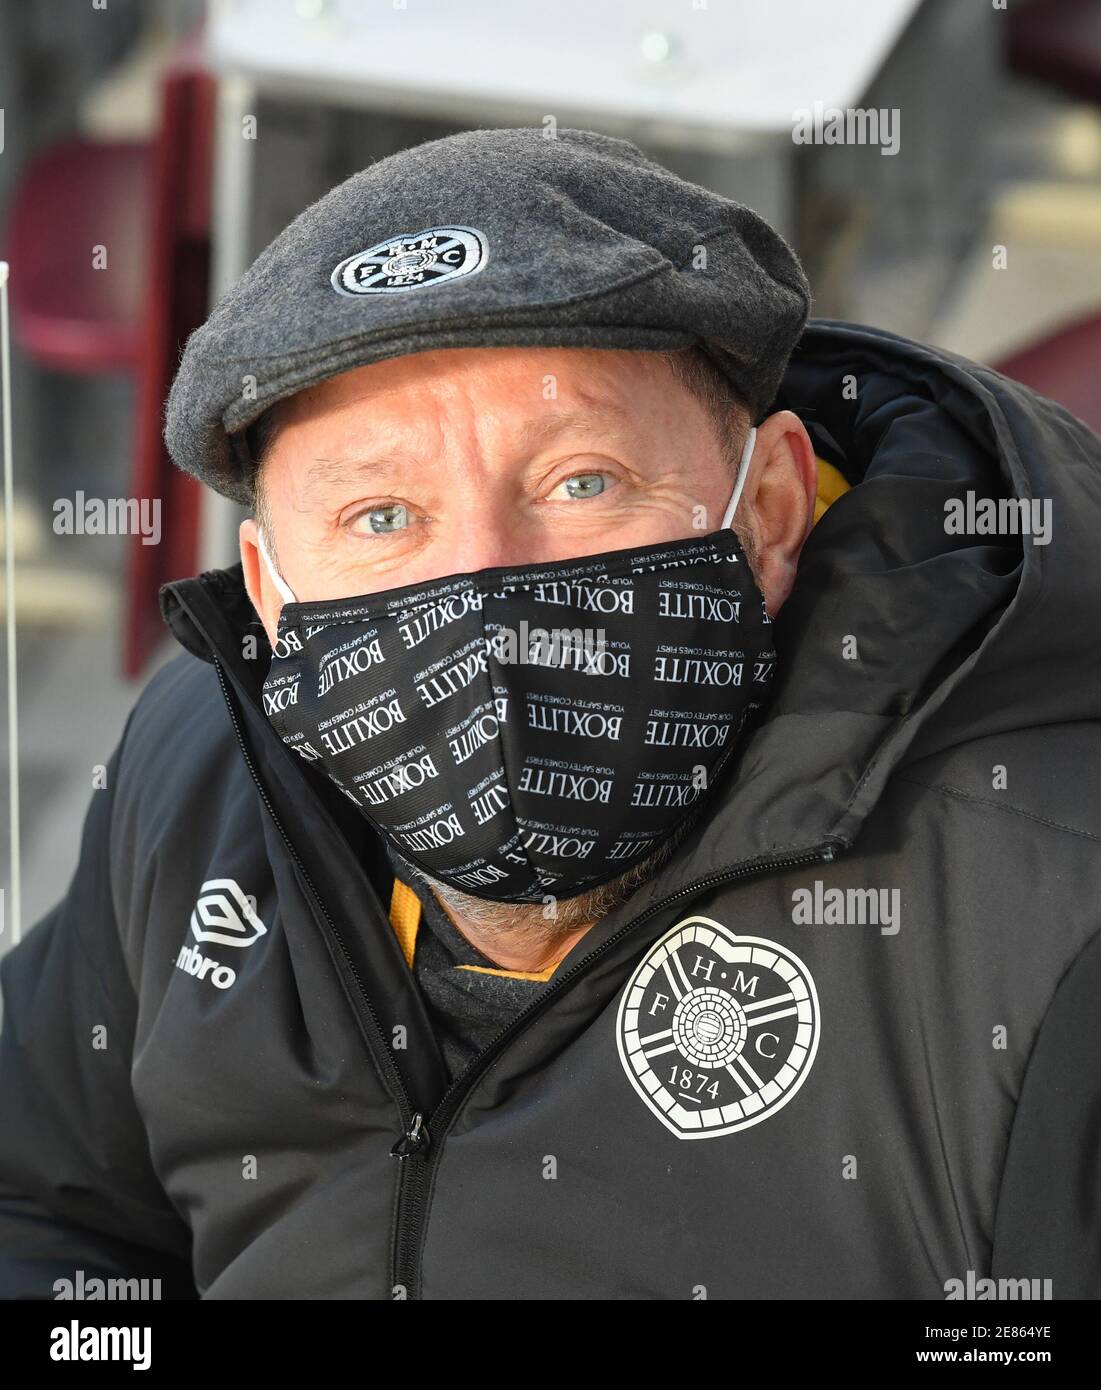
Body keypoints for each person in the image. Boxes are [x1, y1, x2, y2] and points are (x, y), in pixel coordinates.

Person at [1, 126, 1099, 1301]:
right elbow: (45, 1206)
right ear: (271, 593)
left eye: (583, 484)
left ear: (769, 510)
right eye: (381, 517)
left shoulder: (1043, 931)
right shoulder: (204, 768)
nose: (486, 594)